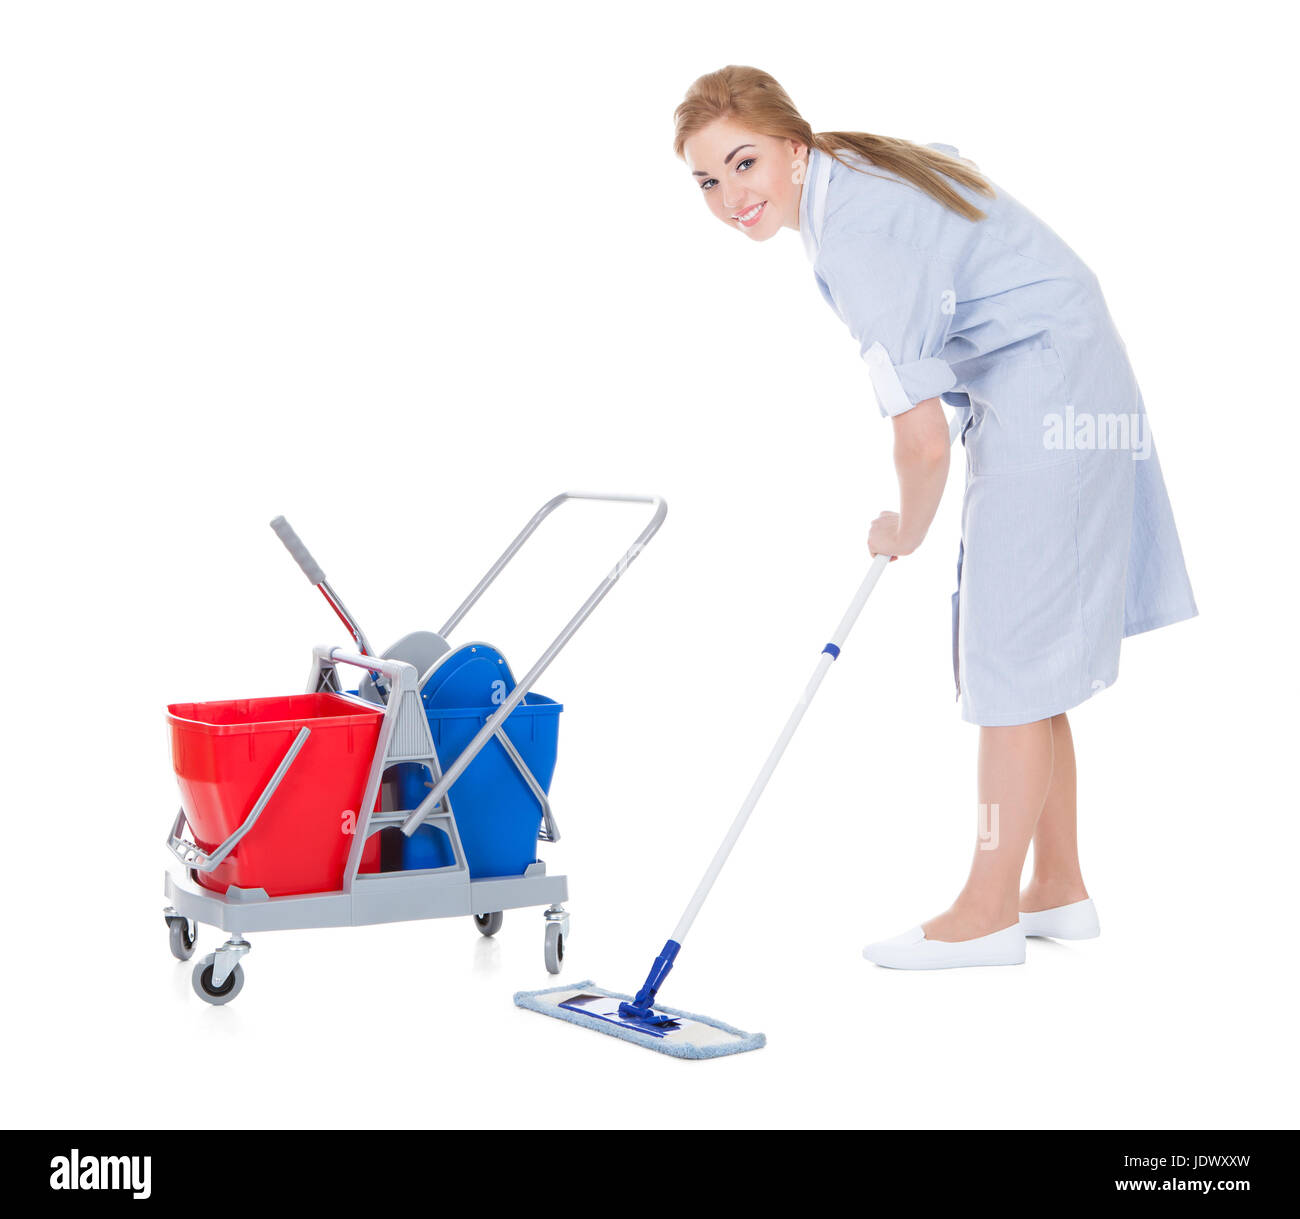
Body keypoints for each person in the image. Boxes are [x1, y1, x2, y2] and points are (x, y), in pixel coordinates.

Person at [674, 66, 1197, 969]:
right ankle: (1057, 887)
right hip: (1058, 379)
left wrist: (905, 529)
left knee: (1008, 664)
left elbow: (920, 443)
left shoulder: (857, 233)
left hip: (1049, 394)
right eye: (708, 180)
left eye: (744, 162)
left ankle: (987, 909)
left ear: (793, 146)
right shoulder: (849, 178)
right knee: (1029, 664)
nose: (730, 197)